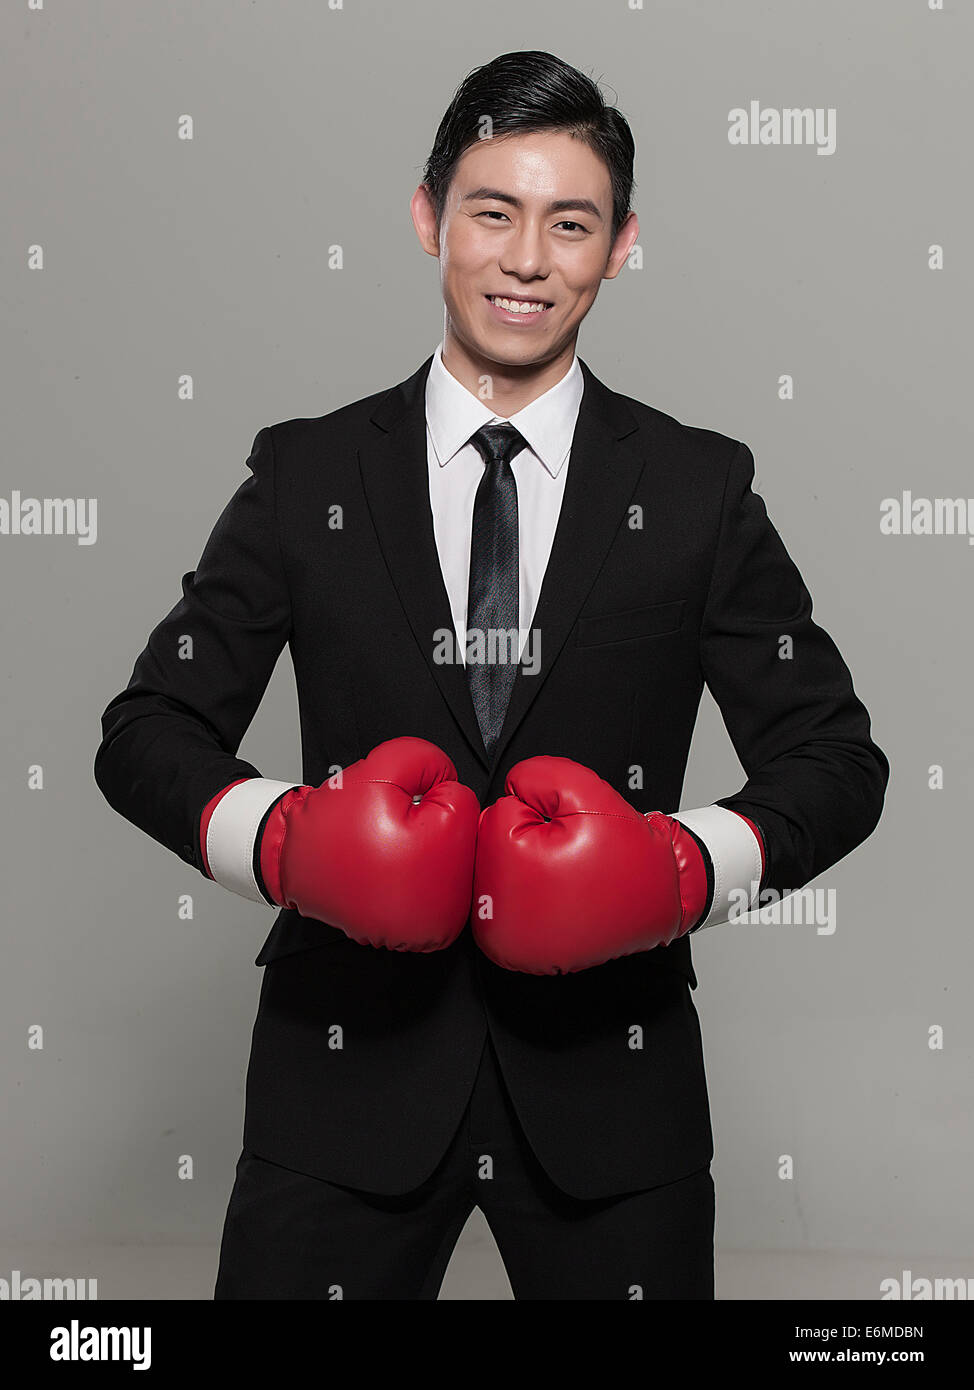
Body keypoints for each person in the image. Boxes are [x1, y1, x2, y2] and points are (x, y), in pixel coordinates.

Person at [94, 50, 889, 1300]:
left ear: (620, 244)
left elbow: (837, 762)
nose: (526, 259)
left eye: (568, 223)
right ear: (428, 218)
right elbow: (146, 729)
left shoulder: (694, 491)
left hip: (610, 1097)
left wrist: (681, 867)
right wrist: (287, 841)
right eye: (491, 211)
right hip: (339, 1084)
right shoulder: (306, 477)